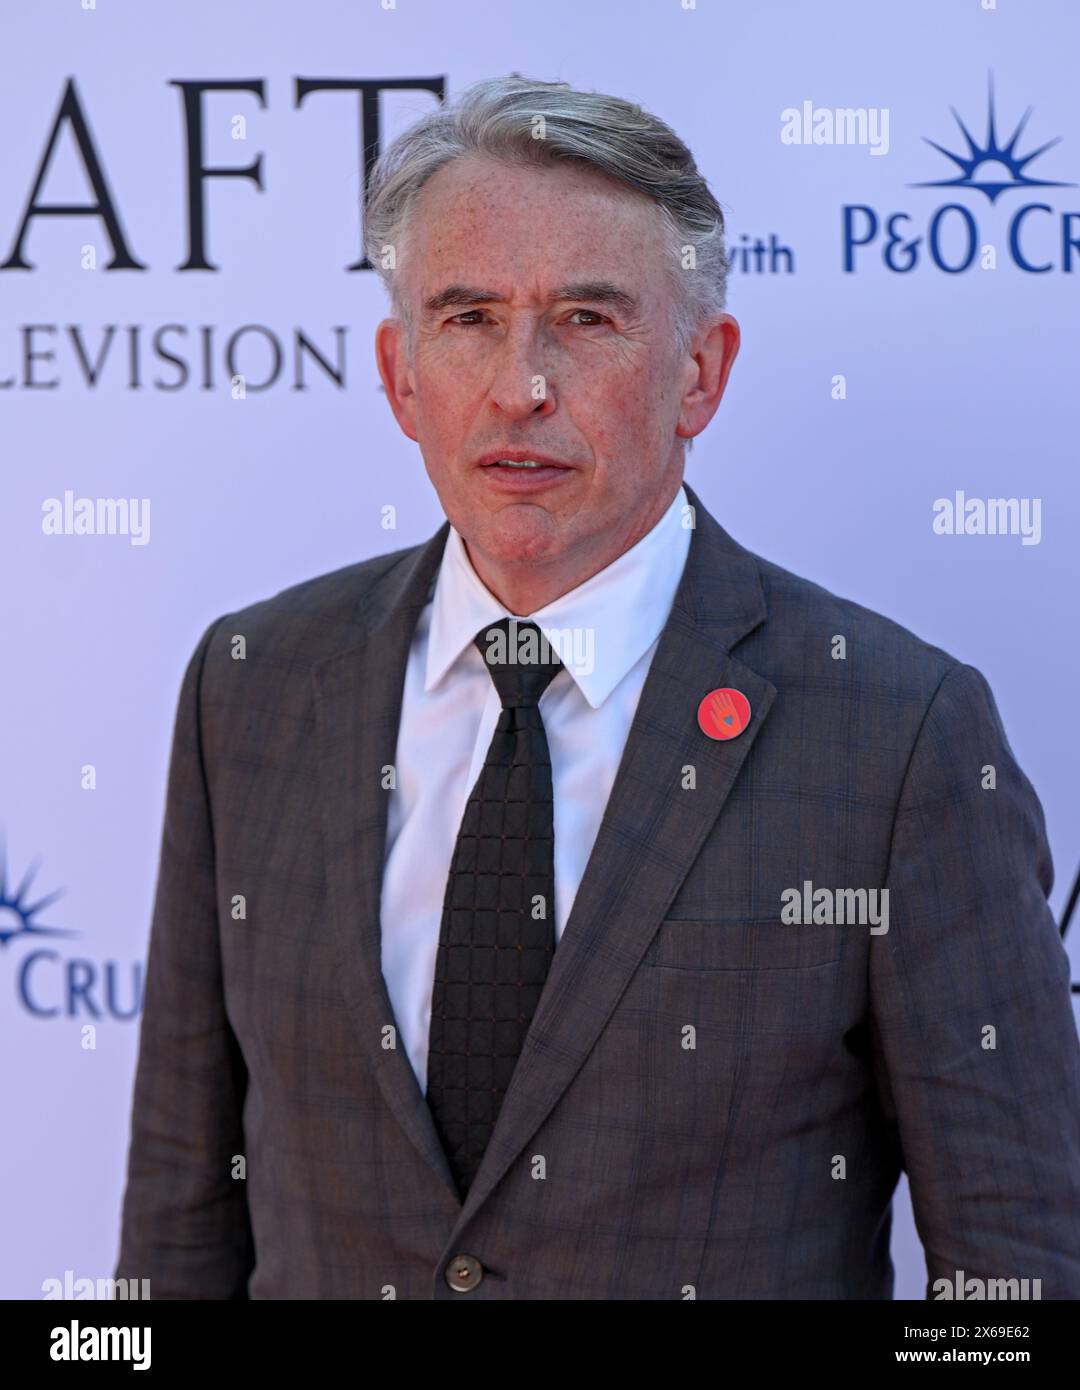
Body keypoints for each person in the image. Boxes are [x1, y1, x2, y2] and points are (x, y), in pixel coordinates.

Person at [114, 74, 1080, 1299]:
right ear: (400, 373)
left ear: (700, 374)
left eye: (586, 319)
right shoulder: (250, 687)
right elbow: (178, 1224)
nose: (521, 383)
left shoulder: (895, 735)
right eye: (467, 317)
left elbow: (1015, 1275)